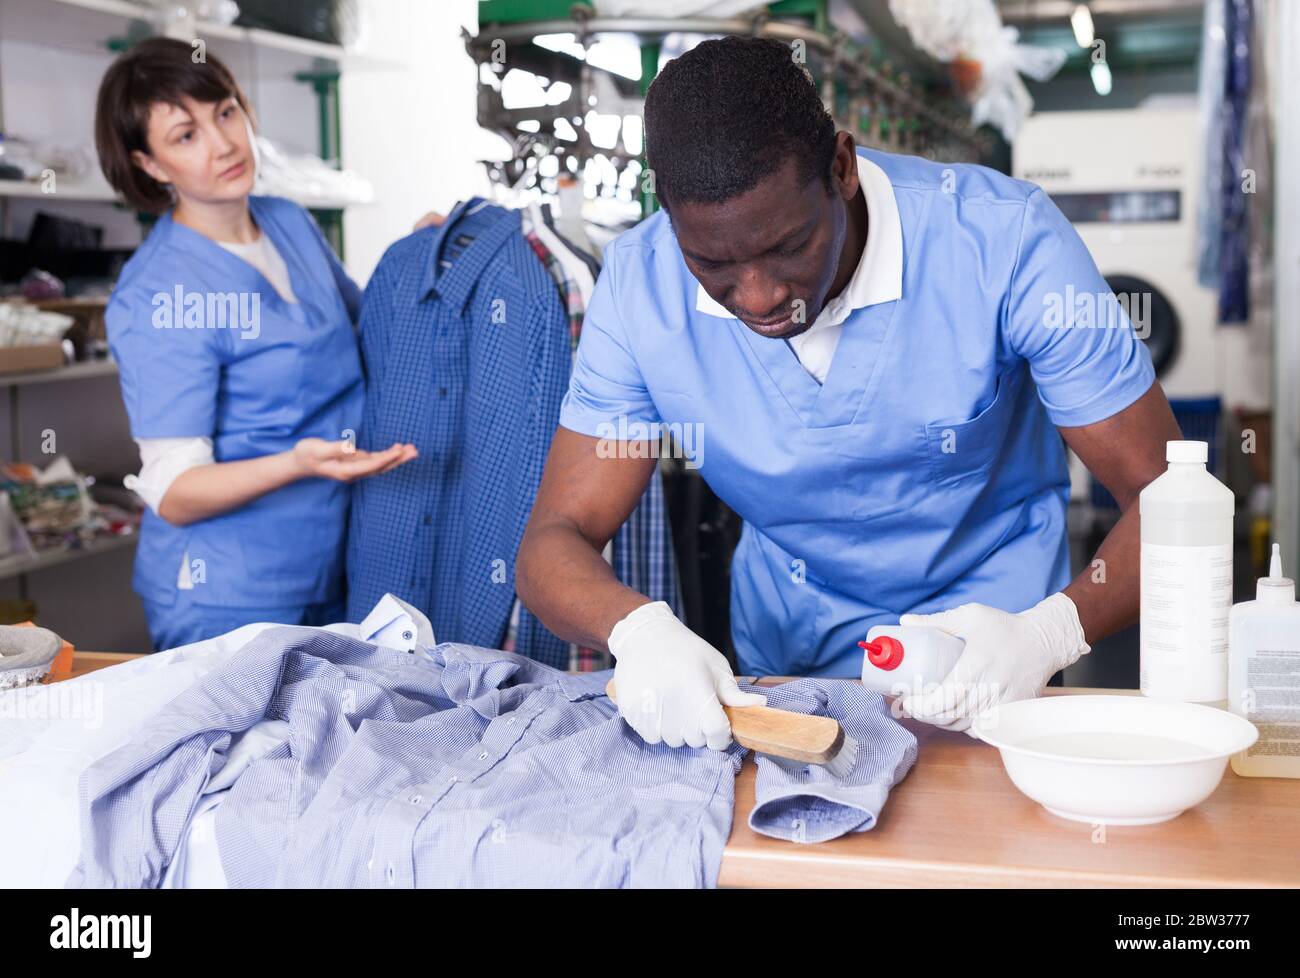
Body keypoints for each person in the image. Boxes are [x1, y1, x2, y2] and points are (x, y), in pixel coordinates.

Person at [517, 36, 1182, 749]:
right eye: (713, 263)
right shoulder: (640, 289)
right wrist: (636, 628)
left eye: (788, 246)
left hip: (993, 662)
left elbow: (1176, 499)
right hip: (788, 676)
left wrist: (1054, 631)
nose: (761, 295)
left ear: (842, 167)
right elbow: (555, 540)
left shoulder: (1003, 243)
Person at [95, 38, 416, 650]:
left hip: (327, 562)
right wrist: (297, 462)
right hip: (225, 591)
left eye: (225, 113)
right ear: (151, 165)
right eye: (185, 136)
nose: (222, 144)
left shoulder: (288, 222)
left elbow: (367, 326)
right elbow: (175, 491)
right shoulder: (160, 292)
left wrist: (417, 252)